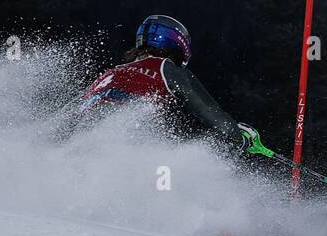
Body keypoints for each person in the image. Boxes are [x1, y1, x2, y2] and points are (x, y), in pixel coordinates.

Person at [62, 14, 258, 155]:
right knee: (170, 179)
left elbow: (71, 112)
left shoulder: (111, 72)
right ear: (178, 45)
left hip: (80, 142)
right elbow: (209, 111)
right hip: (124, 141)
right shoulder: (166, 68)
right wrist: (238, 137)